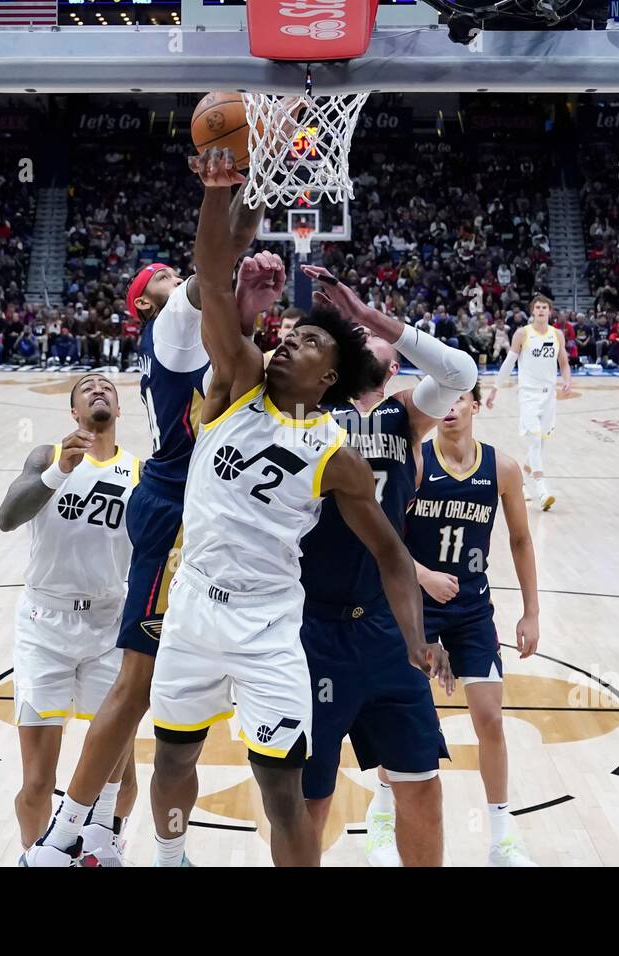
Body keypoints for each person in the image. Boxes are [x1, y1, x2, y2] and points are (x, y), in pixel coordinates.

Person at [147, 148, 445, 867]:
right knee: (174, 761)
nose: (286, 343)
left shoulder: (337, 459)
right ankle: (169, 858)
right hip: (192, 609)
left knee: (282, 793)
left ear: (332, 375)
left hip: (271, 626)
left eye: (306, 340)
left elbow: (391, 556)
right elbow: (213, 285)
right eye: (288, 334)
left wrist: (414, 638)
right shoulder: (239, 383)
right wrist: (220, 191)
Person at [26, 152, 270, 865]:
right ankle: (63, 829)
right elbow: (212, 254)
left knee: (176, 705)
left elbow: (228, 252)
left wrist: (261, 181)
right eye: (163, 277)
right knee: (136, 682)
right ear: (147, 302)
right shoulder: (172, 328)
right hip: (173, 515)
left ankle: (118, 835)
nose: (181, 277)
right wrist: (219, 186)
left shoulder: (208, 325)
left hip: (208, 515)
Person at [295, 264, 475, 867]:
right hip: (311, 625)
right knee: (310, 795)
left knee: (421, 784)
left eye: (376, 342)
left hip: (386, 627)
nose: (367, 344)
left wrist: (375, 316)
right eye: (356, 338)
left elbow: (461, 372)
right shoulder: (306, 412)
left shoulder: (407, 415)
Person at [0, 373, 142, 866]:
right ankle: (34, 857)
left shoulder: (139, 472)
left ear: (119, 410)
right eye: (87, 387)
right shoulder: (45, 458)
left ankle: (103, 850)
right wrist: (58, 470)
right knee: (38, 783)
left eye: (107, 386)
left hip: (109, 626)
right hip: (45, 626)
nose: (98, 389)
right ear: (74, 412)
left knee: (120, 780)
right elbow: (7, 517)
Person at [405, 382, 540, 866]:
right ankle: (382, 822)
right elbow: (384, 535)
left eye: (459, 399)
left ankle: (502, 838)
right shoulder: (415, 462)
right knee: (409, 723)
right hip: (417, 608)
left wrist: (531, 611)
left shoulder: (501, 468)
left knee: (491, 719)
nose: (449, 408)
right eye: (441, 400)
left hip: (472, 609)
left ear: (475, 406)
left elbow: (521, 540)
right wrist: (422, 575)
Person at [485, 295, 572, 511]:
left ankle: (520, 481)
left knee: (539, 443)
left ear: (550, 311)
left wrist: (567, 381)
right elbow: (509, 363)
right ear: (532, 311)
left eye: (545, 307)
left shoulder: (556, 334)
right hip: (528, 395)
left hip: (549, 396)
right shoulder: (523, 333)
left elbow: (564, 363)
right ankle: (543, 490)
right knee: (534, 440)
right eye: (538, 307)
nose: (541, 310)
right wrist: (495, 388)